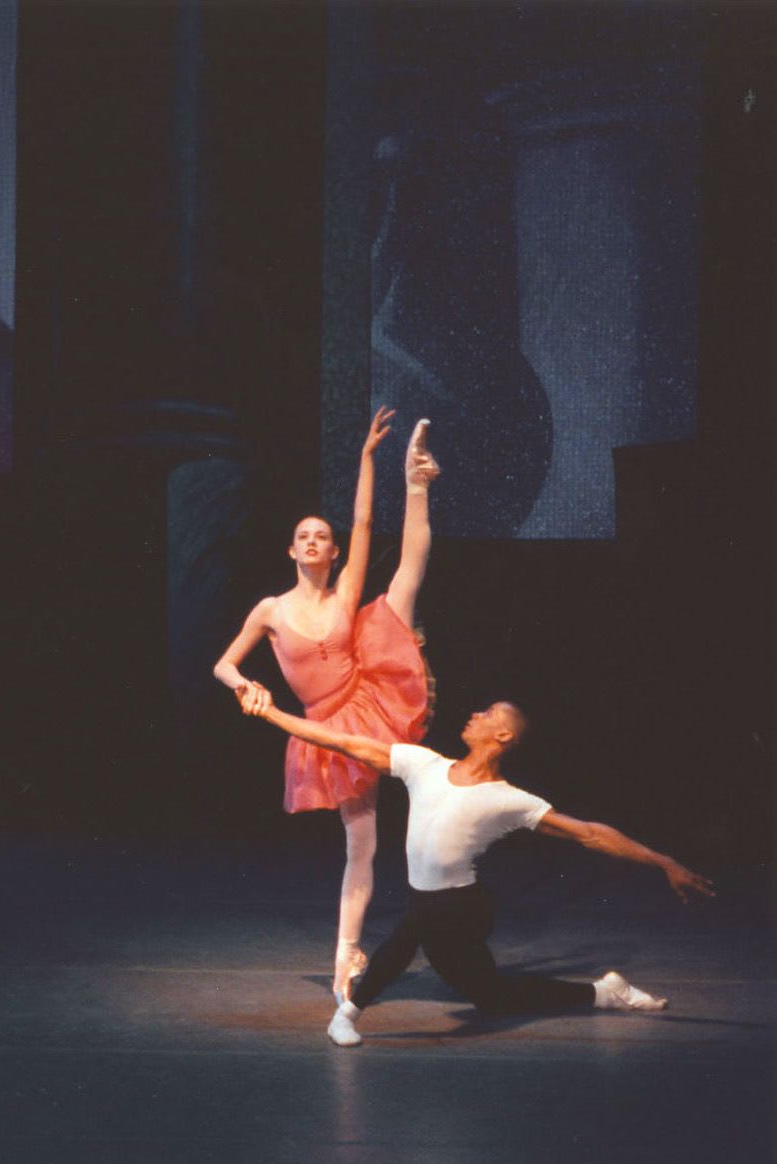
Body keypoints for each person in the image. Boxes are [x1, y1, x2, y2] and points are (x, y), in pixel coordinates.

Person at [246, 696, 715, 1047]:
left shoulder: (510, 799)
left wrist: (663, 862)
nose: (475, 714)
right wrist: (270, 713)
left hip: (463, 906)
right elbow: (342, 741)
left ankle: (348, 1012)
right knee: (491, 997)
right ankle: (604, 993)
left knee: (415, 926)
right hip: (438, 908)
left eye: (488, 713)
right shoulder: (424, 765)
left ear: (503, 736)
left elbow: (590, 834)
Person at [214, 407, 440, 1000]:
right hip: (323, 729)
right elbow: (223, 664)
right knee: (360, 843)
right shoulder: (271, 609)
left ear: (332, 552)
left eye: (321, 536)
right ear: (291, 551)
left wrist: (366, 457)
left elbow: (363, 522)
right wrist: (246, 686)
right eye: (304, 537)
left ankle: (416, 480)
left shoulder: (343, 595)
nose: (313, 541)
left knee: (405, 582)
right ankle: (346, 955)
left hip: (368, 700)